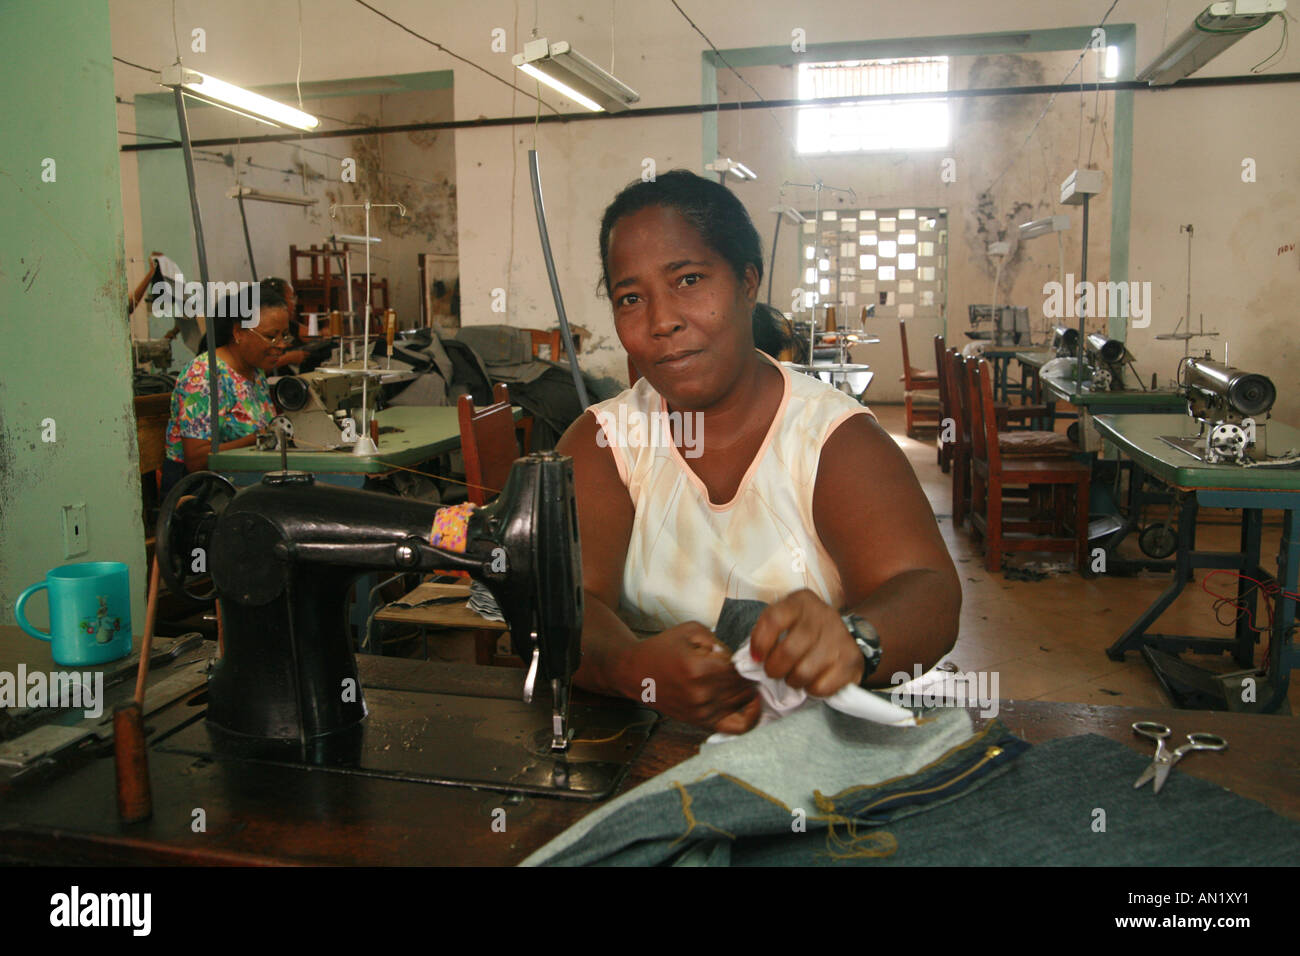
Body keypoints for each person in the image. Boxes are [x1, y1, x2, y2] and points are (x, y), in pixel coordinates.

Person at [555, 170, 961, 736]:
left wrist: (855, 638)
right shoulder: (603, 445)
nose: (661, 320)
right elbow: (567, 606)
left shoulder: (833, 440)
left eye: (689, 279)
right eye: (630, 298)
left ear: (748, 282)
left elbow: (927, 588)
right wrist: (630, 667)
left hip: (817, 757)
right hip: (641, 748)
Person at [160, 280, 293, 493]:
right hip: (201, 494)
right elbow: (197, 460)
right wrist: (262, 438)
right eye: (271, 336)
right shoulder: (205, 376)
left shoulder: (254, 371)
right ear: (239, 332)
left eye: (284, 335)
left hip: (244, 483)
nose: (281, 345)